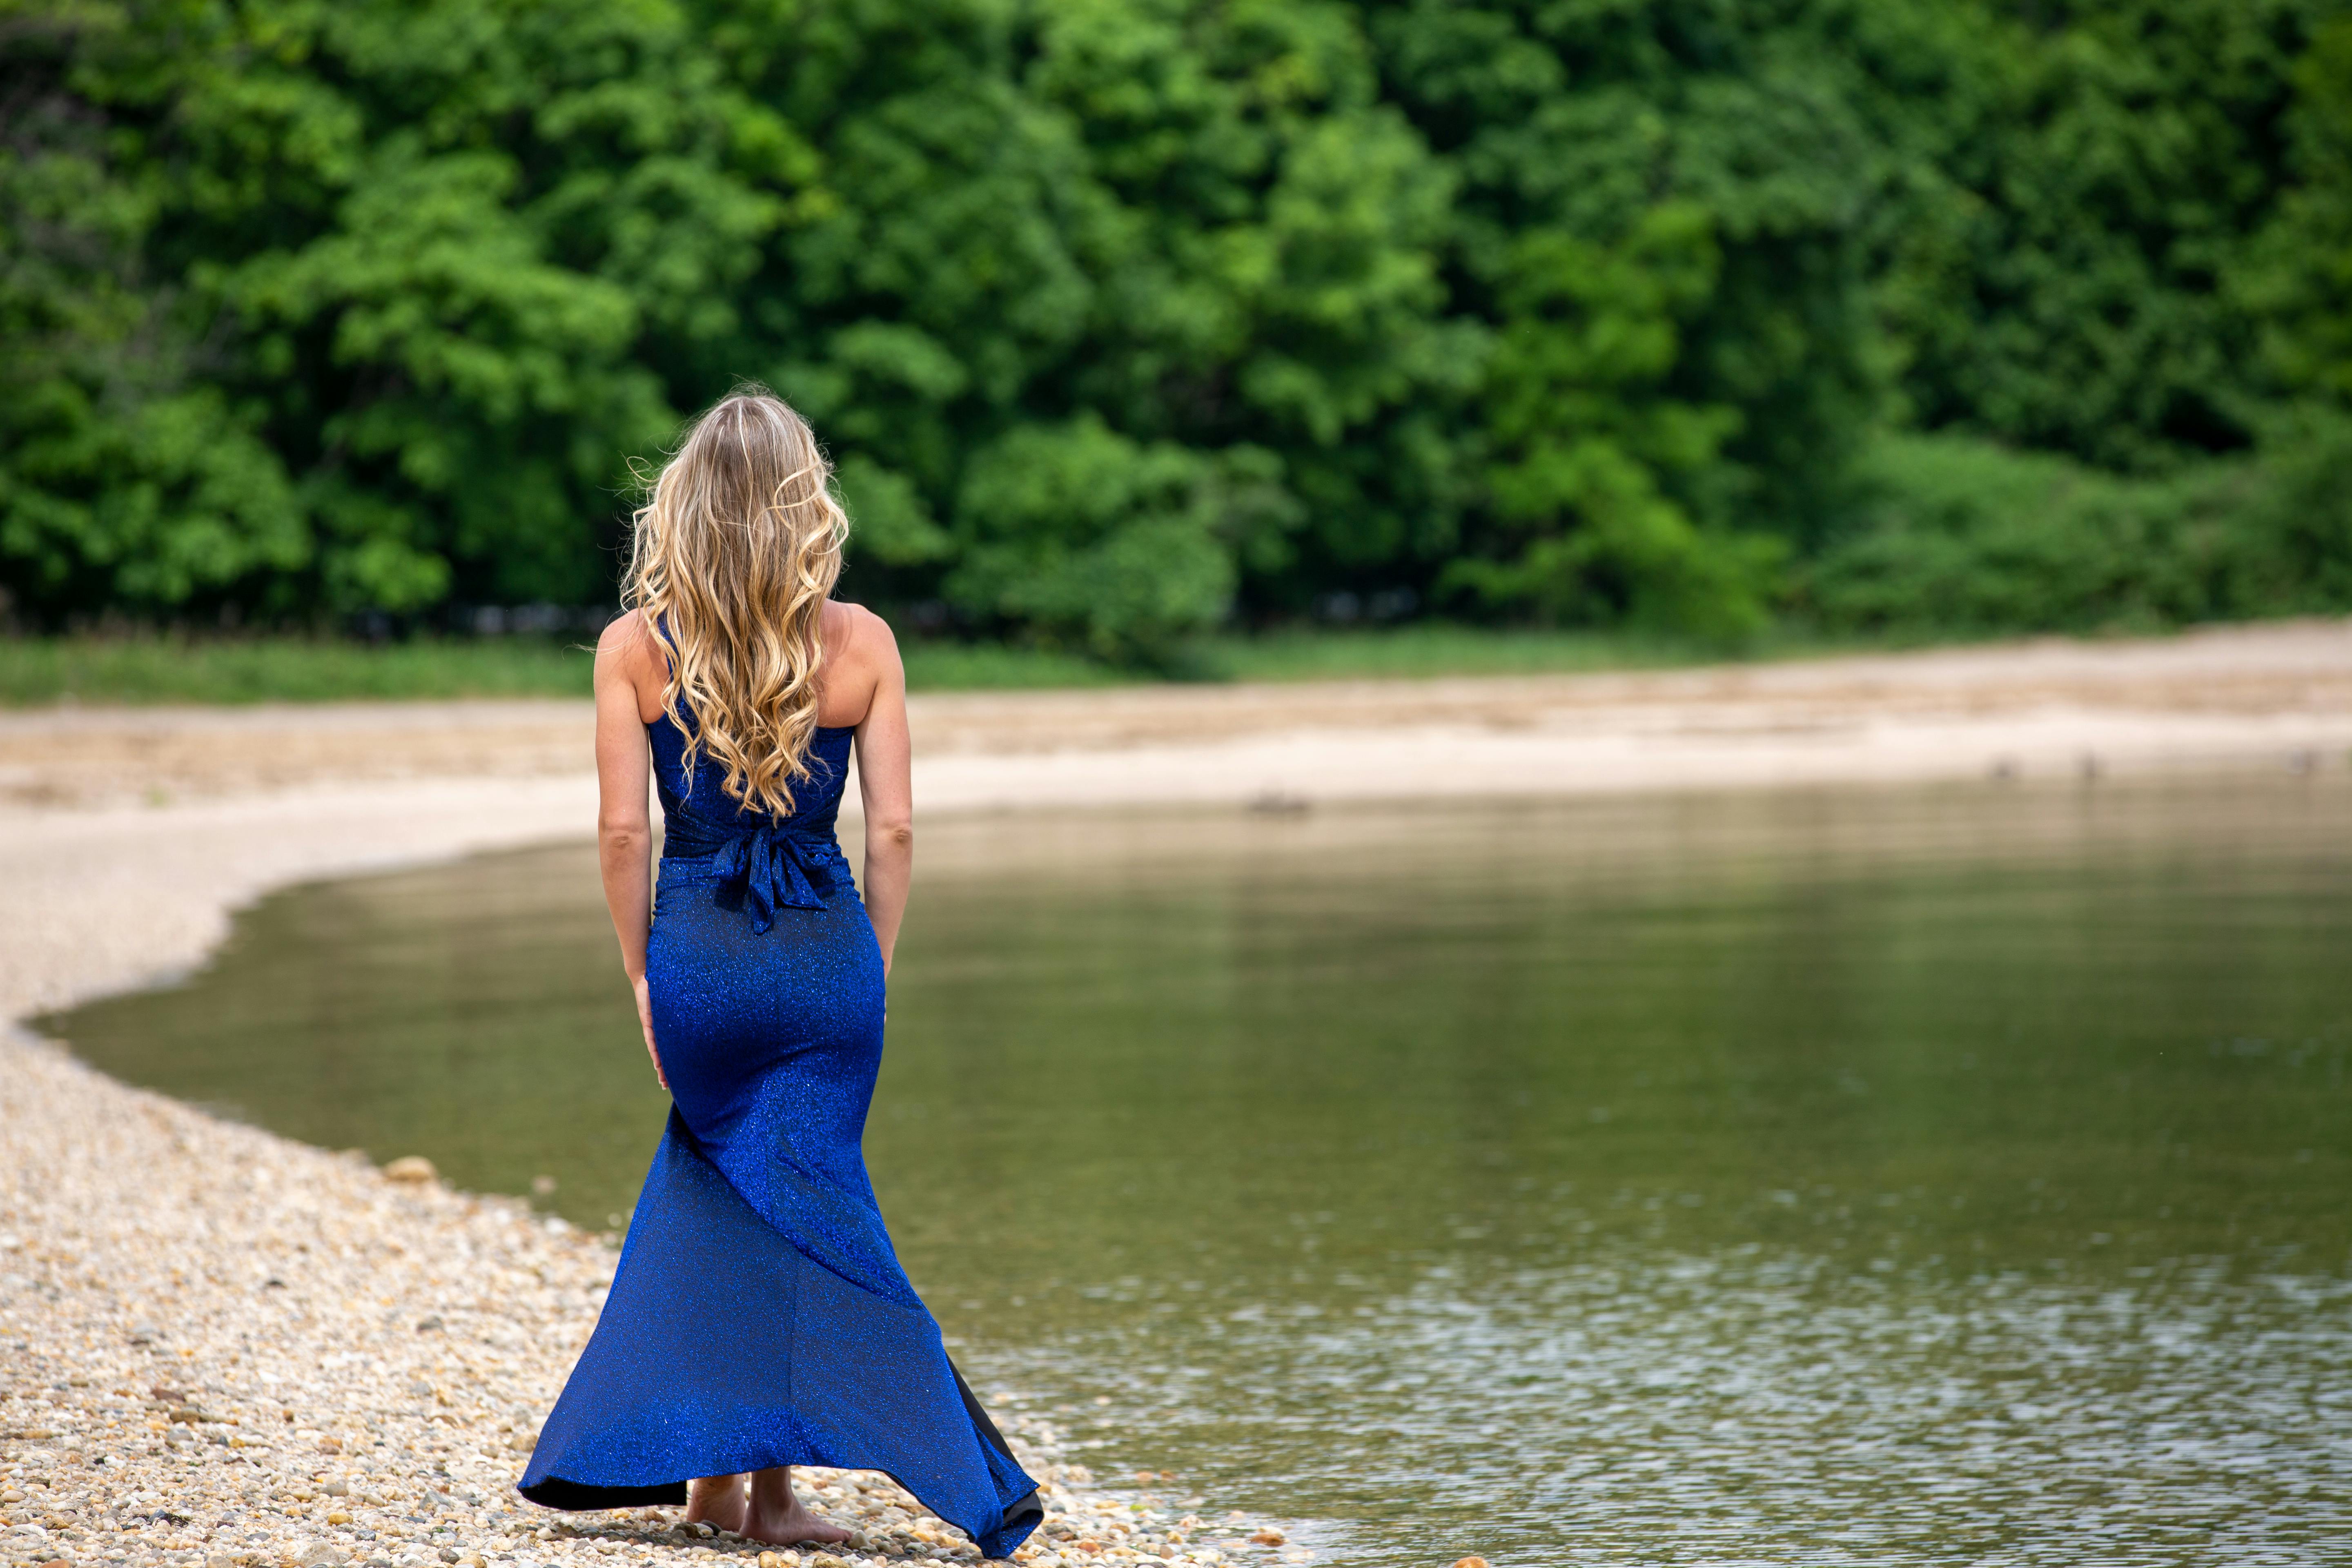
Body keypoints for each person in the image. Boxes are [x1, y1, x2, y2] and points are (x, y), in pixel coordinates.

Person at [517, 390, 1042, 1559]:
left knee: (737, 1190)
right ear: (807, 505)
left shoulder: (633, 649)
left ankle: (725, 1491)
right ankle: (868, 1483)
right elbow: (894, 835)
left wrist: (644, 978)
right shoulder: (863, 644)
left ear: (686, 506)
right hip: (823, 958)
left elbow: (619, 836)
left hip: (700, 956)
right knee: (802, 1200)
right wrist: (873, 968)